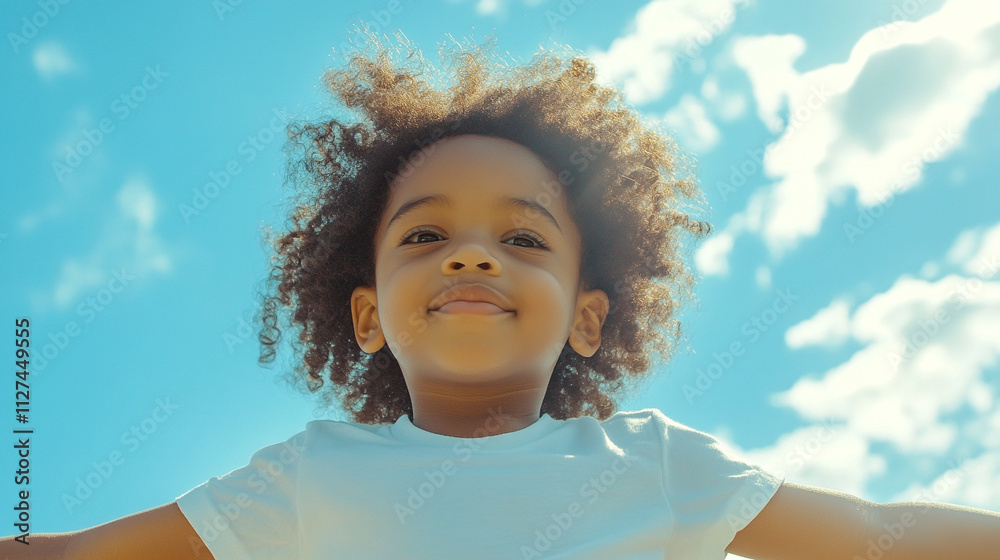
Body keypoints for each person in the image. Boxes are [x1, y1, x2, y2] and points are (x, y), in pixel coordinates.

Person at [5, 30, 1000, 560]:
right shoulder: (308, 474)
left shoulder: (651, 461)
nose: (472, 258)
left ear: (587, 314)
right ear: (364, 314)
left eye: (521, 238)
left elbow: (879, 536)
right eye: (427, 235)